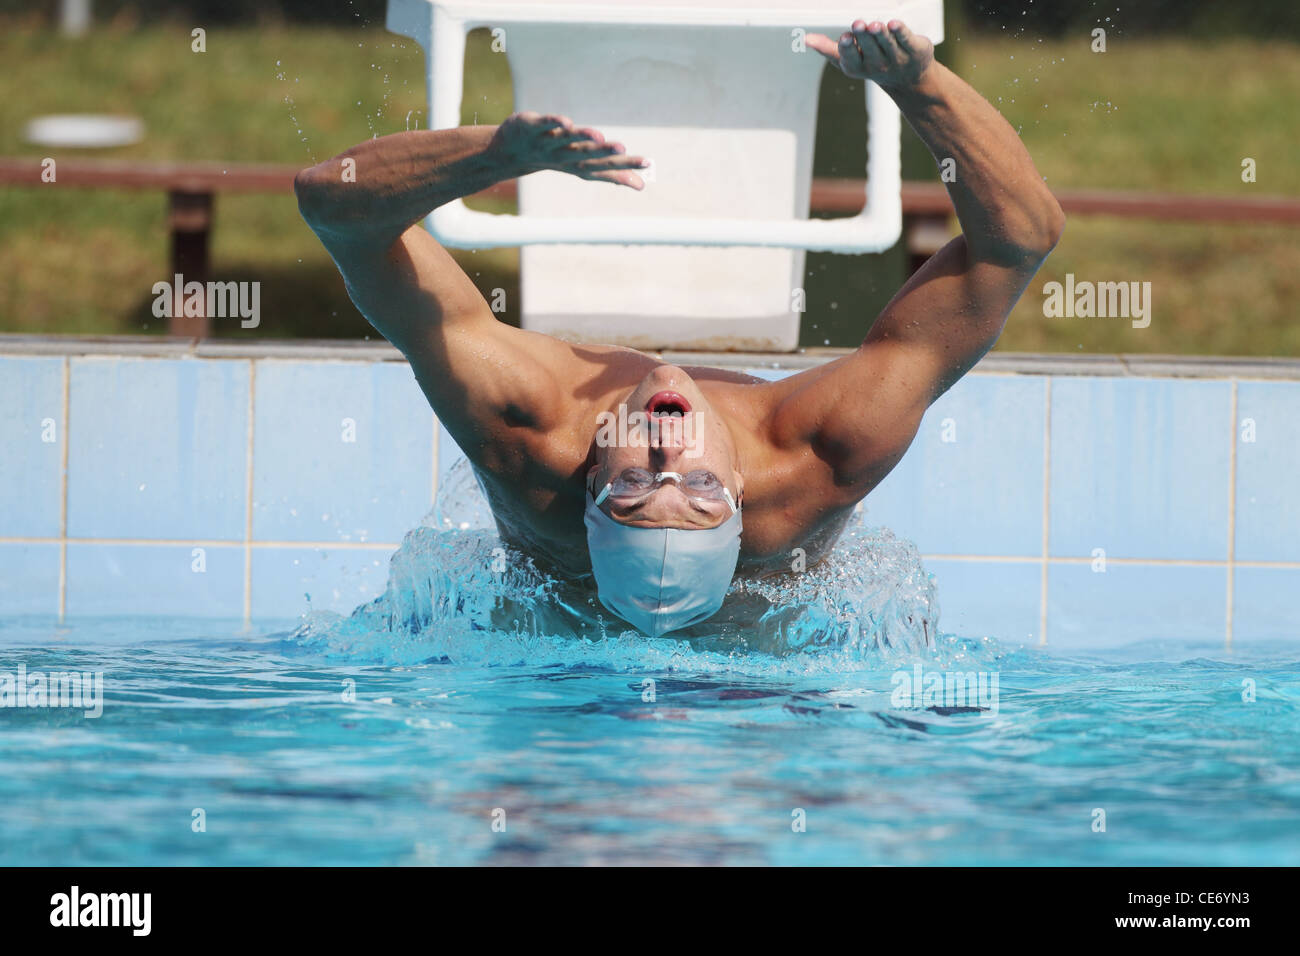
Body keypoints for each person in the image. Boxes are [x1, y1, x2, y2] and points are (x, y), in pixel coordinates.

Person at [295, 19, 1064, 638]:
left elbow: (332, 205)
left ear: (591, 482)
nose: (669, 448)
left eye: (633, 484)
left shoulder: (528, 429)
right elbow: (1022, 238)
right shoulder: (821, 453)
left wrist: (490, 157)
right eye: (697, 487)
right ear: (740, 492)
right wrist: (918, 85)